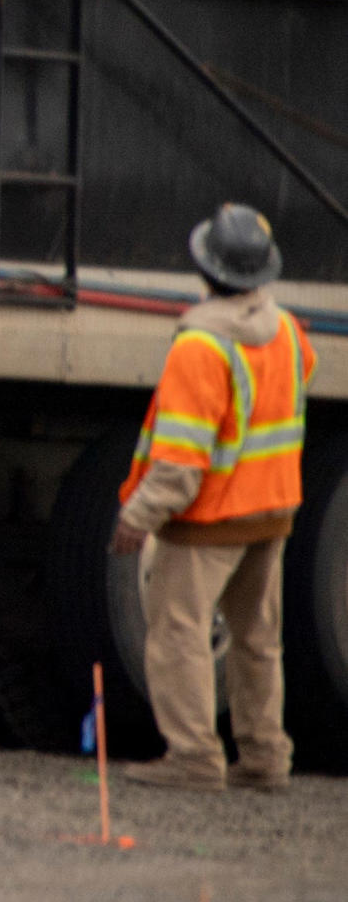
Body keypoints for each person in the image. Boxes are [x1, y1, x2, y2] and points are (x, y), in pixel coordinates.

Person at [112, 201, 312, 790]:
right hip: (271, 509)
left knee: (179, 632)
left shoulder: (199, 347)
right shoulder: (288, 333)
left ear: (205, 268)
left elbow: (180, 460)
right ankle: (265, 758)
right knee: (256, 639)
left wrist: (138, 515)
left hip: (212, 518)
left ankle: (195, 758)